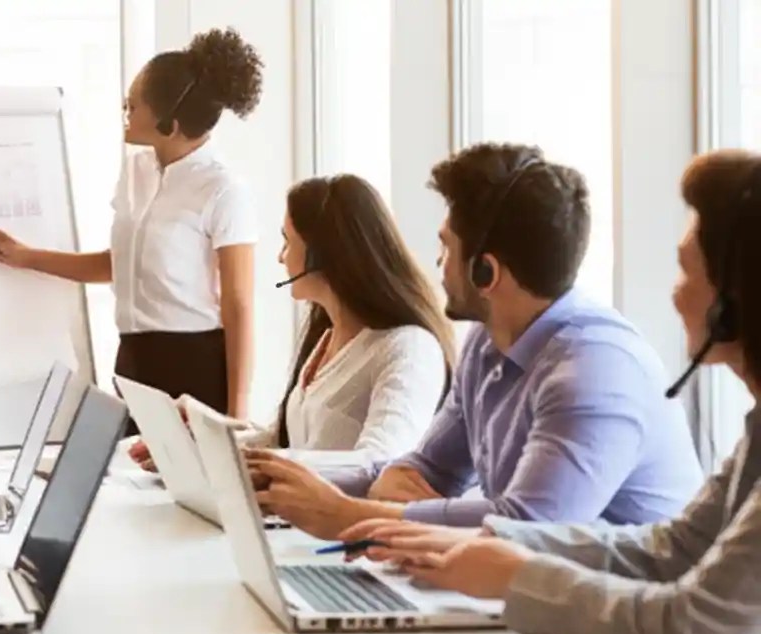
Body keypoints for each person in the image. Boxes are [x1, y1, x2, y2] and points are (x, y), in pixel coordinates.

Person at [339, 150, 761, 634]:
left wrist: (515, 574)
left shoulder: (596, 362)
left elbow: (694, 628)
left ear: (735, 303)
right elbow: (671, 549)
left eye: (685, 270)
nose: (674, 292)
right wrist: (474, 541)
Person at [248, 143, 701, 536]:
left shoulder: (595, 370)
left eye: (446, 247)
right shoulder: (488, 346)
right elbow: (423, 469)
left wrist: (352, 515)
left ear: (486, 271)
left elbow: (523, 528)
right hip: (532, 597)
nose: (438, 263)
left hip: (618, 614)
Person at [0, 27, 263, 421]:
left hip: (194, 363)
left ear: (169, 124)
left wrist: (237, 415)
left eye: (133, 107)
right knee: (126, 479)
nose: (125, 114)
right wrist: (23, 256)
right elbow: (120, 264)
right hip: (133, 362)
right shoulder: (135, 171)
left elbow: (238, 305)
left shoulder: (223, 189)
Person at [132, 174, 453, 476]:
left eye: (287, 241)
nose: (281, 257)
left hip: (341, 532)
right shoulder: (328, 336)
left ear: (321, 254)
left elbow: (380, 462)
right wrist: (198, 440)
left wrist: (258, 461)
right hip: (293, 523)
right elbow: (282, 440)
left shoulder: (408, 348)